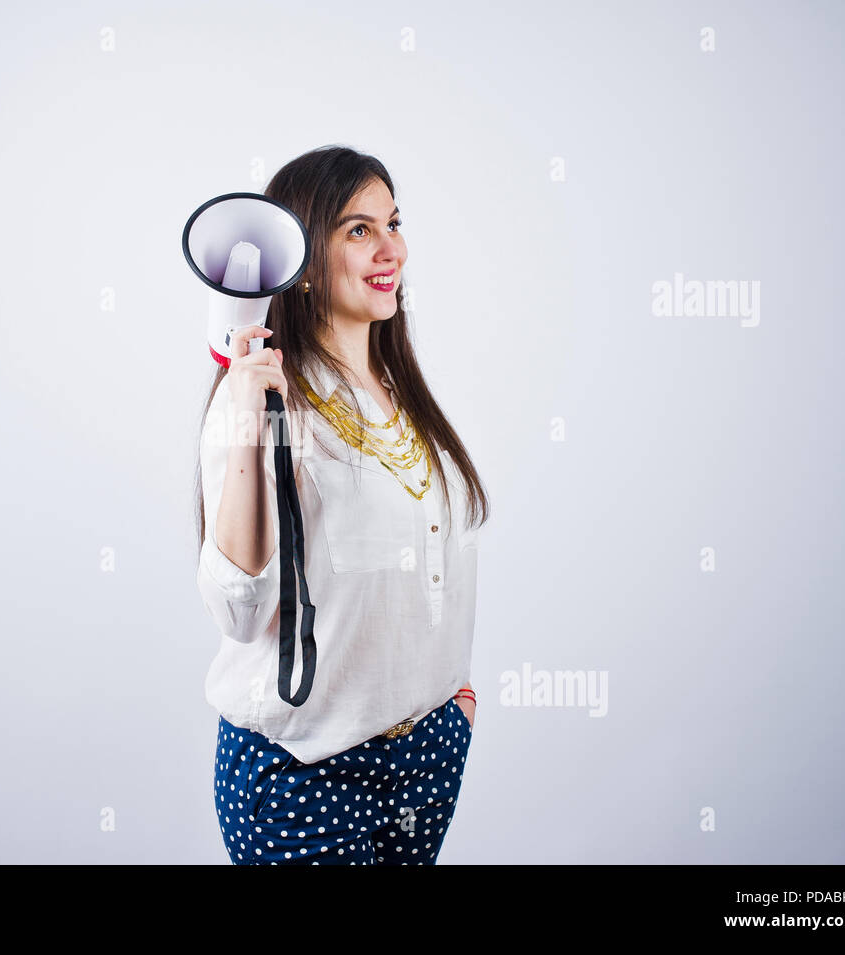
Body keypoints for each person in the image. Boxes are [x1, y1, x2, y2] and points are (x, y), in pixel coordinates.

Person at [193, 145, 491, 865]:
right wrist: (246, 415)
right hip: (307, 776)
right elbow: (238, 609)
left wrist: (450, 704)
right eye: (359, 230)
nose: (393, 248)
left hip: (422, 760)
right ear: (298, 262)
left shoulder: (402, 397)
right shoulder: (265, 407)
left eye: (394, 222)